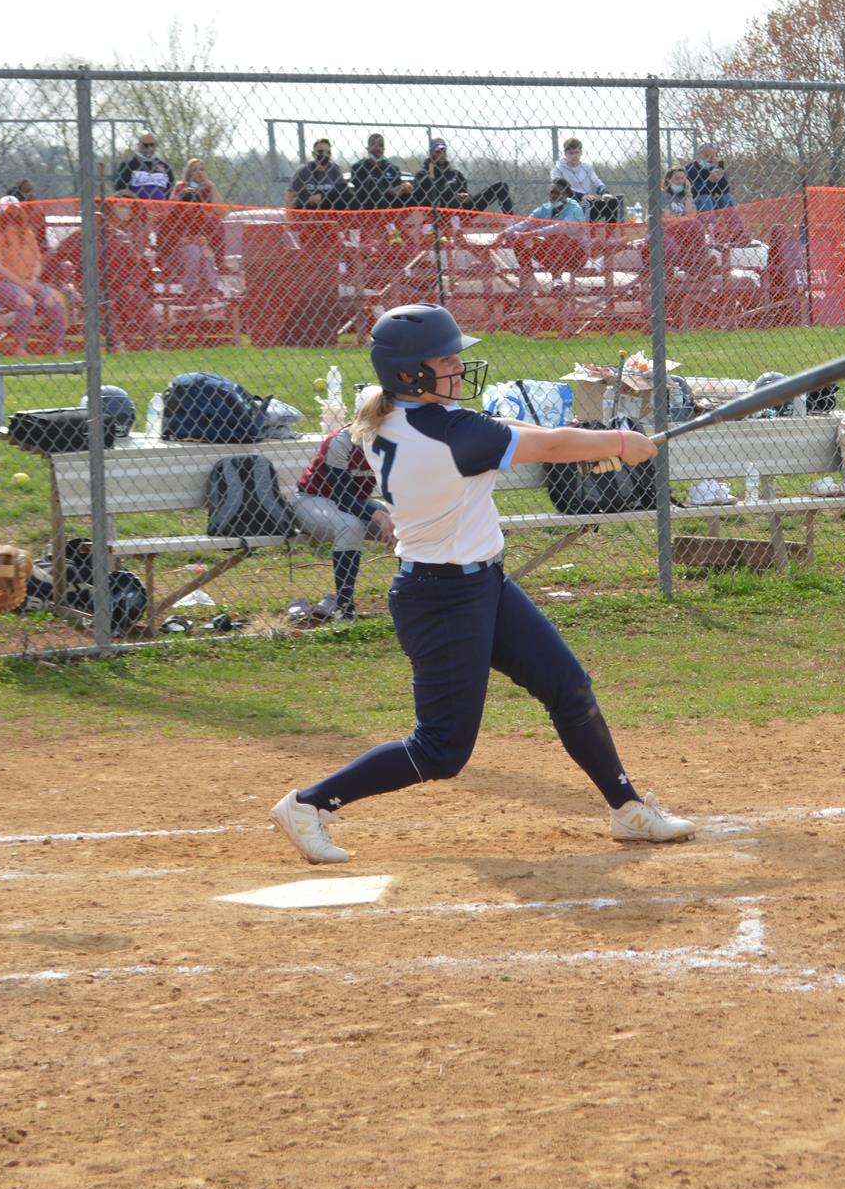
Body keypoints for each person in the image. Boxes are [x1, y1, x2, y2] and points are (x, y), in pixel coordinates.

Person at [268, 303, 697, 864]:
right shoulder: (452, 434)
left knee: (569, 688)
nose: (456, 368)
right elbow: (549, 447)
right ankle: (309, 804)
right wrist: (619, 444)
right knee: (441, 749)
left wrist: (611, 440)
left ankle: (627, 809)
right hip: (441, 600)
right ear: (408, 373)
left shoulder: (393, 418)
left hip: (482, 585)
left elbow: (516, 431)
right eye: (445, 360)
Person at [291, 421, 393, 621]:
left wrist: (397, 516)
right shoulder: (342, 440)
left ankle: (406, 600)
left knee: (406, 525)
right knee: (350, 526)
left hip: (357, 502)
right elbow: (344, 498)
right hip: (313, 499)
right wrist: (380, 516)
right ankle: (344, 607)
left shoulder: (395, 437)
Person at [0, 196, 68, 352]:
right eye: (8, 211)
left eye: (15, 210)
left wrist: (32, 280)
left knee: (53, 301)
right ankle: (19, 347)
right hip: (0, 283)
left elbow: (38, 261)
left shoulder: (28, 234)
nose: (12, 214)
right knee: (26, 301)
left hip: (28, 281)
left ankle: (58, 346)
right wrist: (23, 284)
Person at [162, 159, 226, 301]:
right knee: (193, 251)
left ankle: (212, 287)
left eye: (202, 169)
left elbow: (220, 210)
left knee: (205, 252)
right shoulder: (181, 189)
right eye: (196, 169)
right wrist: (180, 240)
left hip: (200, 239)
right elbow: (171, 215)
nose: (200, 172)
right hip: (176, 252)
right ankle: (191, 289)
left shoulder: (206, 194)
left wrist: (211, 185)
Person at [411, 138, 515, 217]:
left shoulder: (455, 174)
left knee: (501, 187)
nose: (441, 155)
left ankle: (511, 227)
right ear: (431, 153)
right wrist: (431, 171)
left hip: (461, 210)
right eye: (437, 152)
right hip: (438, 213)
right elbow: (419, 196)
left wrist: (466, 197)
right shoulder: (422, 174)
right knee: (449, 187)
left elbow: (464, 193)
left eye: (443, 151)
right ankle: (456, 229)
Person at [550, 137, 621, 224]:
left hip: (590, 202)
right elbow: (560, 188)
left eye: (577, 152)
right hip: (569, 204)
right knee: (587, 204)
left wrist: (604, 193)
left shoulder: (587, 167)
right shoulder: (557, 169)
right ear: (565, 154)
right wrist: (581, 196)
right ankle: (588, 233)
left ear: (581, 152)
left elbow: (597, 182)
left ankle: (610, 235)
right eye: (571, 153)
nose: (574, 156)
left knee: (612, 202)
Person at [350, 133, 414, 209]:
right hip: (370, 205)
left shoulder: (392, 168)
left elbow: (398, 188)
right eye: (374, 145)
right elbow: (363, 191)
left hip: (392, 202)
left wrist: (405, 186)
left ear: (384, 149)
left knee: (411, 192)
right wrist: (388, 191)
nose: (378, 149)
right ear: (368, 148)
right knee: (372, 183)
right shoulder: (358, 167)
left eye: (381, 145)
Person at [285, 138, 348, 211]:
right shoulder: (304, 171)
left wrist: (323, 195)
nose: (325, 154)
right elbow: (290, 193)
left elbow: (342, 189)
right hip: (306, 209)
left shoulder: (335, 170)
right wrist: (289, 211)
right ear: (313, 154)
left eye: (328, 152)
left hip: (328, 209)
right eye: (320, 152)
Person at [112, 131, 174, 199]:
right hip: (135, 206)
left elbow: (170, 191)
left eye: (152, 145)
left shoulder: (165, 167)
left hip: (161, 206)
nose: (149, 148)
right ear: (138, 145)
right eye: (145, 145)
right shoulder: (128, 165)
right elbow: (120, 190)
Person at [684, 143, 735, 214]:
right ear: (698, 156)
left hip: (712, 202)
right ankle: (710, 224)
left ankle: (736, 224)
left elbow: (725, 191)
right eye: (706, 156)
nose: (709, 160)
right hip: (696, 203)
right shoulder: (689, 169)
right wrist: (710, 180)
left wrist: (721, 176)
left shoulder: (714, 167)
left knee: (727, 197)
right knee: (705, 198)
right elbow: (694, 192)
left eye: (712, 157)